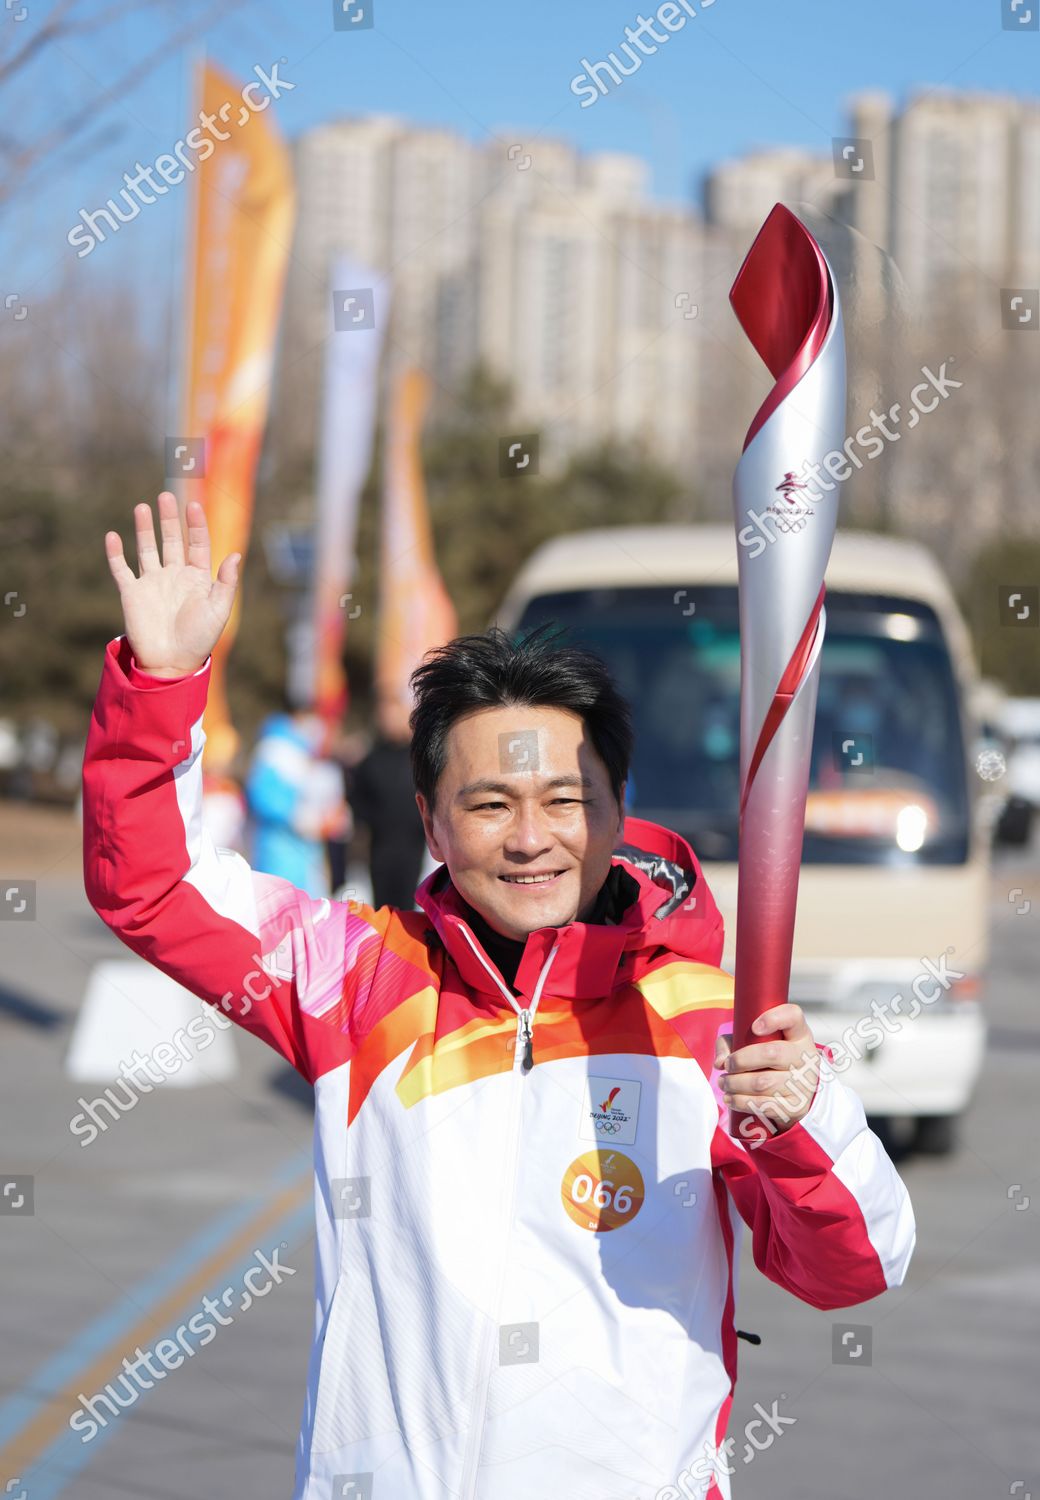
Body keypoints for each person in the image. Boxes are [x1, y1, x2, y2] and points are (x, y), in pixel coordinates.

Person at [83, 494, 915, 1500]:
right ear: (431, 824)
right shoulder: (356, 979)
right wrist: (163, 682)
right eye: (489, 805)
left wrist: (803, 1121)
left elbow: (853, 1267)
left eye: (565, 801)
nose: (531, 839)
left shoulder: (705, 1024)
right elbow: (154, 886)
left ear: (615, 812)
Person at [350, 689, 428, 909]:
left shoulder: (419, 757)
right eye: (385, 713)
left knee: (412, 904)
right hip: (381, 847)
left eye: (395, 712)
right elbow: (358, 800)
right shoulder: (371, 759)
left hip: (415, 845)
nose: (390, 719)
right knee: (383, 906)